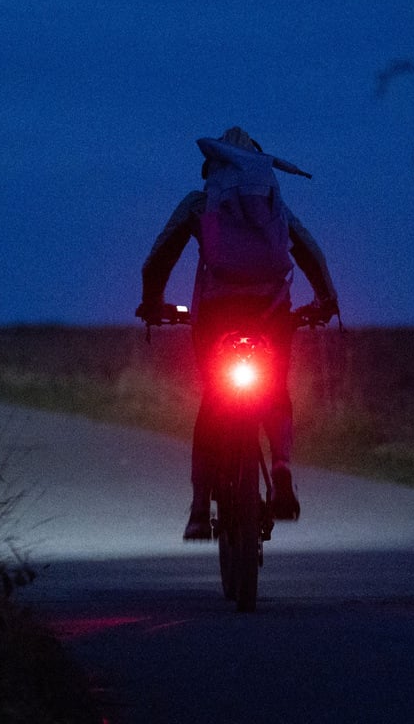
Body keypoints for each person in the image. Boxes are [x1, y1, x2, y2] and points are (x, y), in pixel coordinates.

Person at [136, 126, 338, 540]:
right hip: (271, 311)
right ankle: (280, 468)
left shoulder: (201, 203)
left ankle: (197, 511)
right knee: (276, 391)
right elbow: (309, 251)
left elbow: (160, 255)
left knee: (213, 400)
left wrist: (152, 301)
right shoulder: (273, 204)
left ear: (212, 168)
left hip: (216, 314)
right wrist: (326, 301)